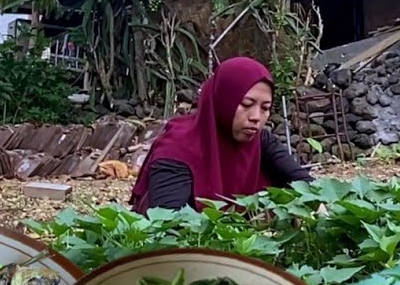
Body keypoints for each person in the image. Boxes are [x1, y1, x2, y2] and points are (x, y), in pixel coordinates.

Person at [129, 56, 313, 213]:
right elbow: (166, 222)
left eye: (265, 108)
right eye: (246, 104)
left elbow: (307, 186)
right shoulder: (178, 149)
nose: (256, 117)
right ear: (223, 101)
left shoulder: (260, 142)